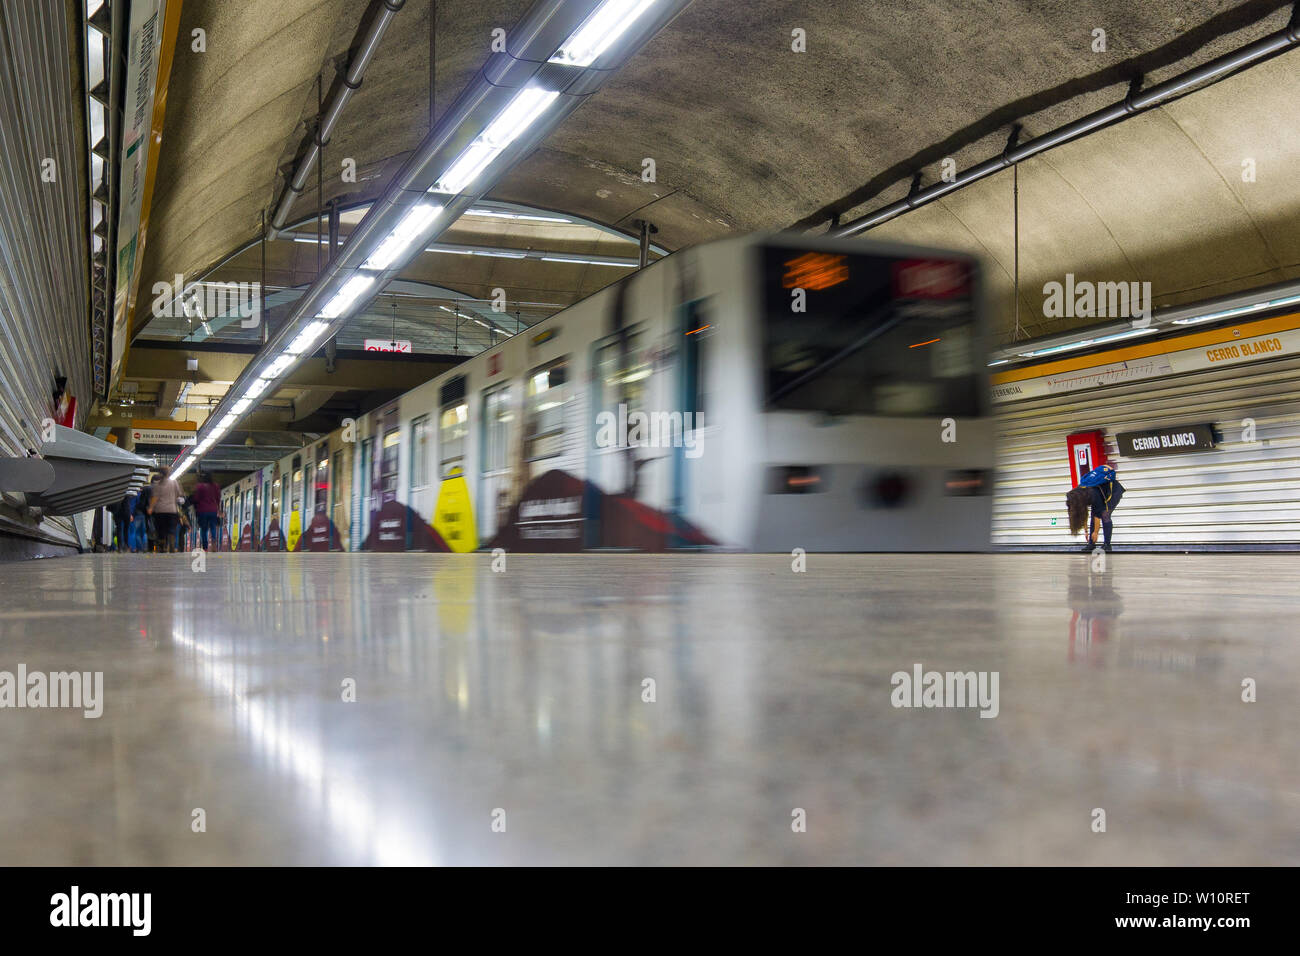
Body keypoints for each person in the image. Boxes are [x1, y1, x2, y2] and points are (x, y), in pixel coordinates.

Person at [1066, 464, 1125, 552]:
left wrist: (1095, 532)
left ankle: (1107, 545)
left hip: (1113, 492)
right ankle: (1091, 544)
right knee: (1095, 514)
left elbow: (1097, 517)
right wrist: (1086, 531)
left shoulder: (1092, 494)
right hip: (1100, 493)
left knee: (1105, 515)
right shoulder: (1080, 493)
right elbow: (1083, 513)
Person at [147, 466, 184, 554]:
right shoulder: (174, 482)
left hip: (160, 511)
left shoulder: (157, 484)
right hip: (172, 510)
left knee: (161, 530)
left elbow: (154, 498)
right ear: (168, 473)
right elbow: (179, 495)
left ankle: (163, 547)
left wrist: (151, 507)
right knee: (171, 528)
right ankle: (171, 544)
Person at [190, 471, 223, 551]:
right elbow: (218, 498)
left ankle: (205, 547)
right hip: (213, 510)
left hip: (202, 510)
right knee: (213, 527)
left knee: (204, 529)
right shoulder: (216, 486)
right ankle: (214, 540)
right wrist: (218, 507)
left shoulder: (200, 486)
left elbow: (196, 499)